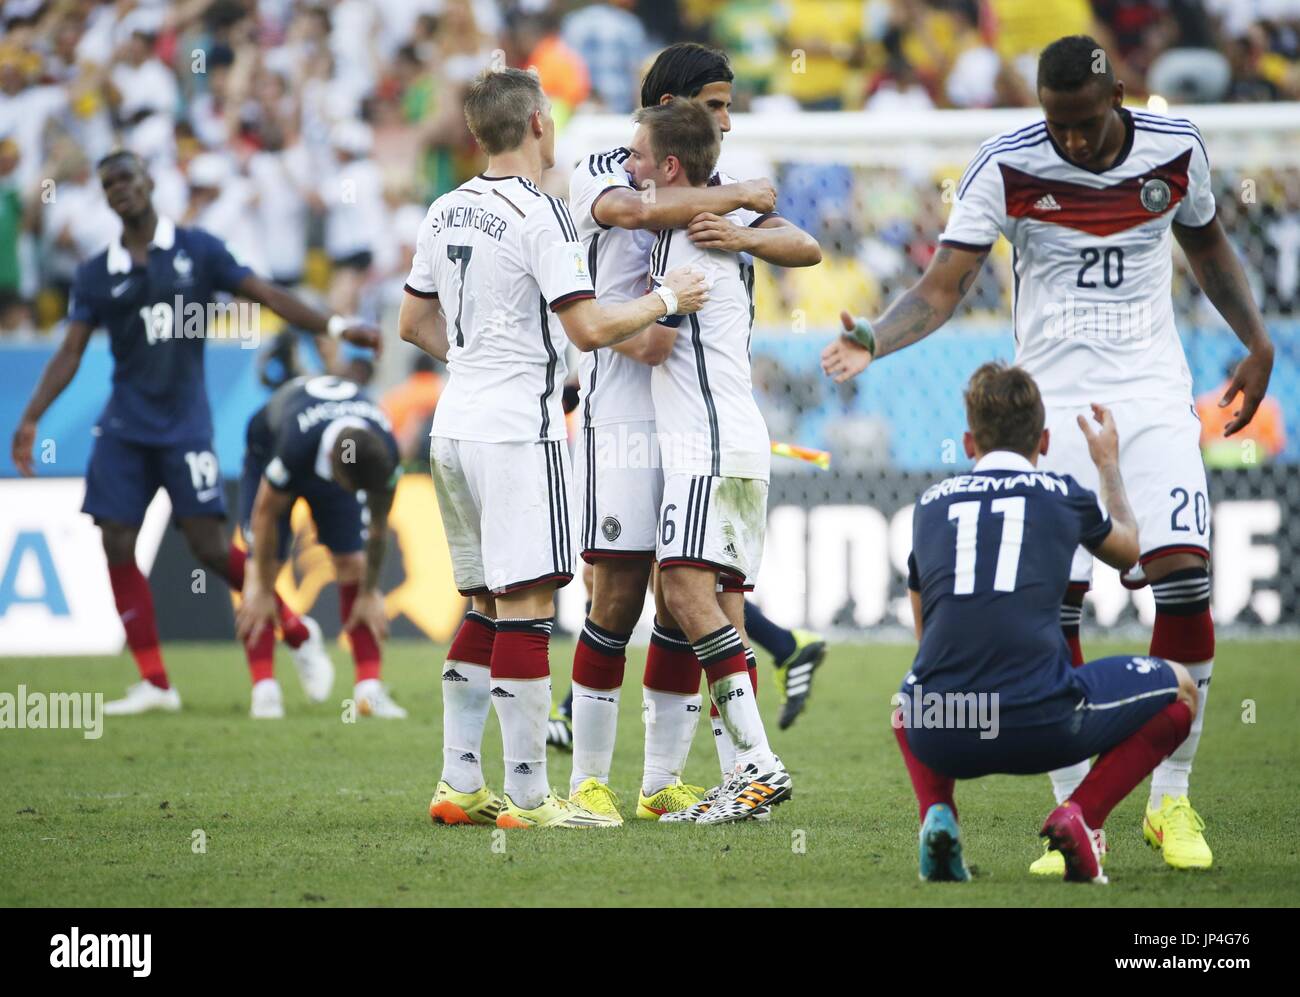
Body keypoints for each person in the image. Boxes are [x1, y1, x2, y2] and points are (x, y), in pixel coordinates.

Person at [824, 35, 1275, 872]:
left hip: (1149, 396)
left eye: (1084, 124)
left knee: (1183, 579)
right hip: (1051, 410)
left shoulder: (1177, 150)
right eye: (1056, 124)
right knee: (1053, 605)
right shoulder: (1007, 164)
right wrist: (874, 338)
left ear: (1117, 98)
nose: (1069, 141)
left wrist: (1256, 340)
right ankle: (1078, 809)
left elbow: (1208, 244)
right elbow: (944, 283)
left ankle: (1171, 803)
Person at [397, 67, 708, 831]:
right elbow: (592, 330)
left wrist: (475, 364)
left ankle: (459, 781)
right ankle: (533, 797)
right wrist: (669, 298)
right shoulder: (544, 215)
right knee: (529, 605)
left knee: (481, 603)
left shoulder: (443, 210)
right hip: (514, 431)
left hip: (453, 427)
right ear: (539, 121)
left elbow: (412, 323)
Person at [10, 149, 380, 715]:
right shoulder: (95, 273)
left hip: (184, 426)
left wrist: (332, 323)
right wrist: (32, 415)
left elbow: (266, 294)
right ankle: (156, 682)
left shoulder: (197, 251)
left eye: (127, 179)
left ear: (150, 181)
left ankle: (296, 630)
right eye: (109, 185)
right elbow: (70, 350)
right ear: (105, 197)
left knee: (208, 547)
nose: (120, 190)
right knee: (114, 539)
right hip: (124, 427)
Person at [562, 42, 825, 824]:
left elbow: (802, 244)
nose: (727, 120)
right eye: (716, 105)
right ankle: (589, 781)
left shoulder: (711, 200)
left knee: (688, 600)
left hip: (699, 427)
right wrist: (742, 197)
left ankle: (682, 778)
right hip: (627, 414)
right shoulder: (613, 163)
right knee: (616, 594)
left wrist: (741, 219)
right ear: (675, 107)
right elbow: (634, 211)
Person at [897, 363, 1197, 884]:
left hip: (943, 730)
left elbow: (925, 639)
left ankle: (938, 814)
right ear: (1046, 439)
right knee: (1182, 690)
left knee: (908, 700)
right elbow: (1130, 553)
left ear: (969, 442)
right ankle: (1080, 813)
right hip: (1042, 726)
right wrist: (1107, 464)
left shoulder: (928, 506)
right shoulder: (1061, 493)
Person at [630, 98, 819, 825]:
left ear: (670, 167)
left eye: (639, 156)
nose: (630, 168)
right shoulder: (713, 227)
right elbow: (799, 246)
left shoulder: (689, 241)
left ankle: (761, 762)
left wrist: (584, 327)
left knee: (681, 591)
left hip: (705, 446)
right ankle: (744, 776)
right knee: (709, 606)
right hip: (734, 442)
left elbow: (652, 345)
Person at [234, 374, 405, 720]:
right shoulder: (296, 446)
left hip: (333, 449)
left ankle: (369, 689)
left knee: (354, 565)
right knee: (260, 571)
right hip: (269, 445)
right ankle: (264, 689)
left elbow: (377, 525)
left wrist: (370, 590)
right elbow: (265, 514)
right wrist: (262, 586)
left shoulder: (384, 447)